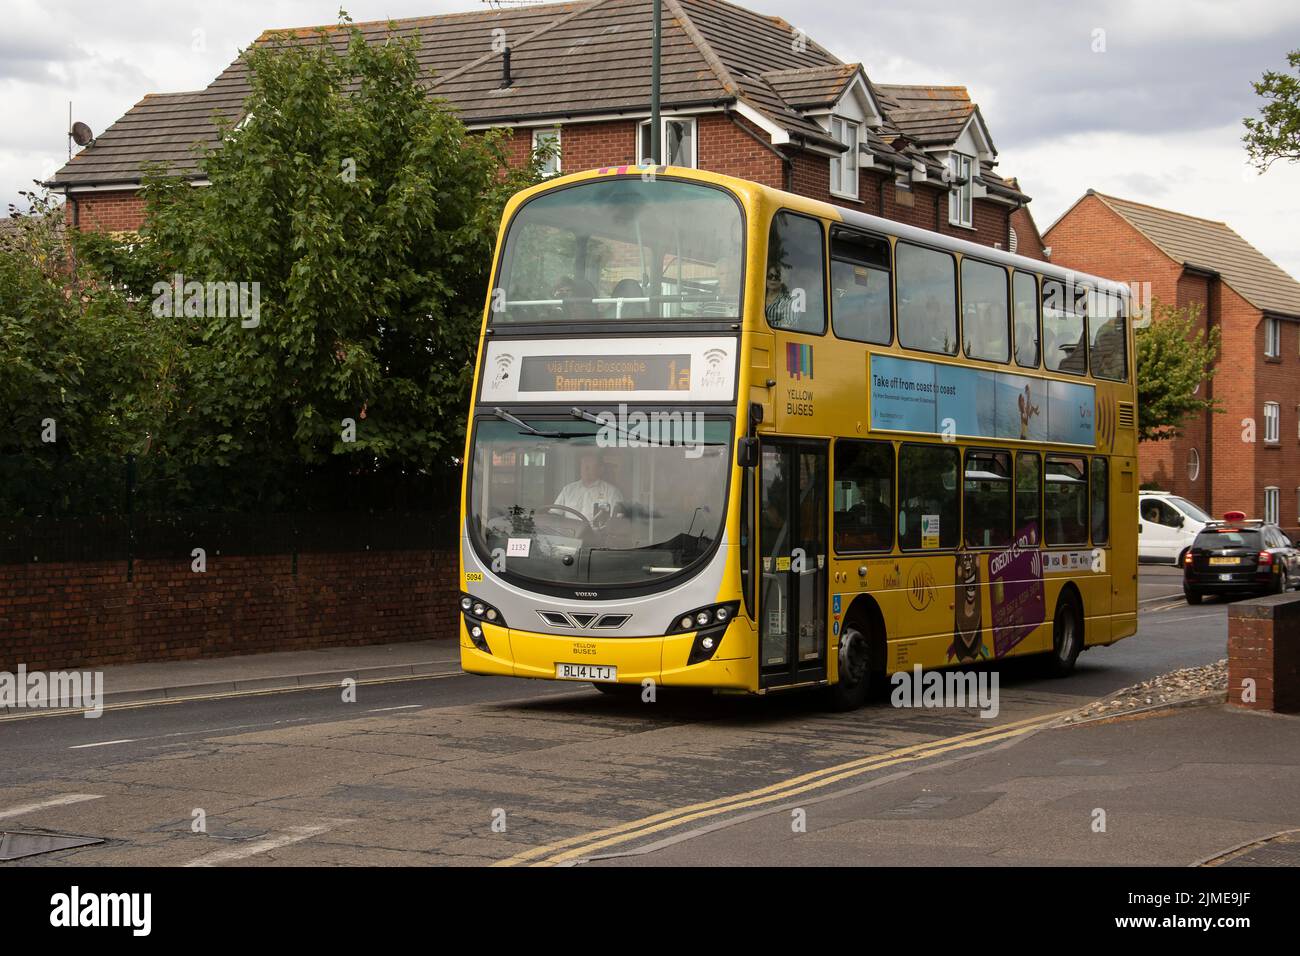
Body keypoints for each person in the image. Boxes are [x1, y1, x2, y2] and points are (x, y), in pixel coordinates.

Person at [554, 451, 624, 526]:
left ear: (600, 469)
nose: (585, 469)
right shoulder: (567, 490)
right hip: (570, 534)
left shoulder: (611, 492)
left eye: (590, 466)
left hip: (596, 536)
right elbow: (554, 514)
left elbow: (618, 519)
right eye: (583, 465)